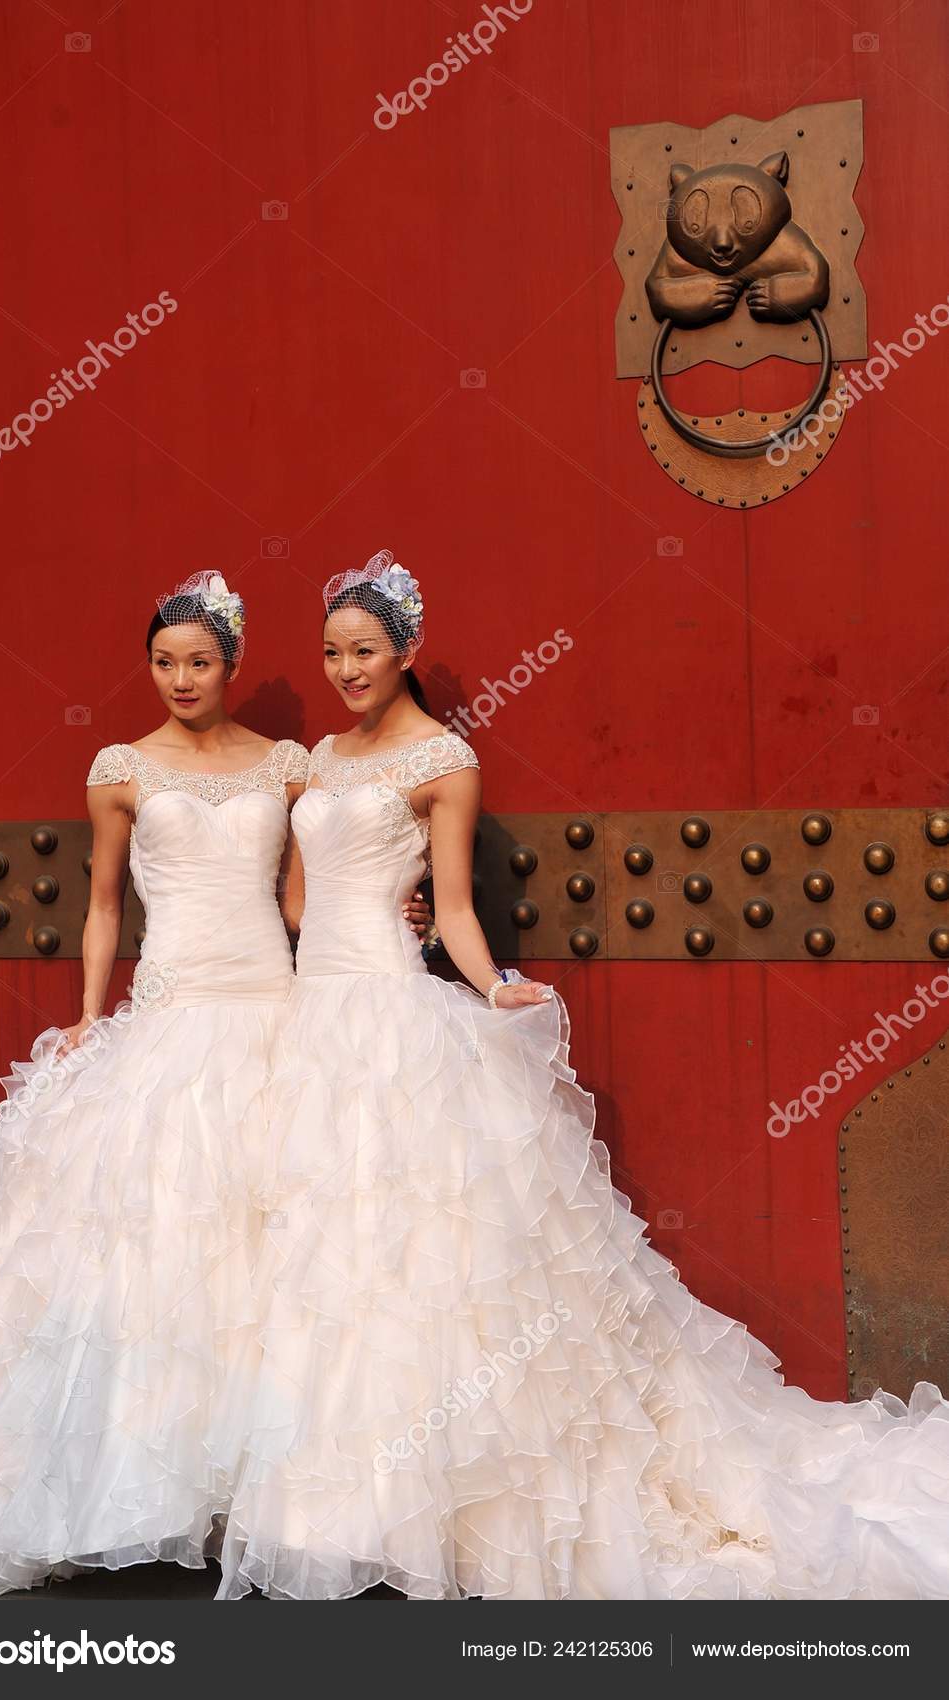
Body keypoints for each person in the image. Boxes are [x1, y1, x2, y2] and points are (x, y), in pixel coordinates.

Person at [214, 548, 949, 1602]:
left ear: (407, 651)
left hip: (389, 1012)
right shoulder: (316, 758)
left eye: (365, 650)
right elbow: (292, 898)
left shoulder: (443, 761)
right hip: (311, 1015)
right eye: (331, 651)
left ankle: (441, 1505)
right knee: (312, 1263)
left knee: (414, 1258)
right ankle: (328, 1503)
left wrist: (485, 978)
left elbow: (457, 906)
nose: (345, 669)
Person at [0, 568, 429, 1600]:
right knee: (159, 1242)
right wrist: (90, 1010)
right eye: (163, 662)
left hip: (279, 1017)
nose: (180, 679)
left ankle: (259, 1492)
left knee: (274, 1260)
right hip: (172, 1015)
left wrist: (391, 908)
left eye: (198, 662)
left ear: (231, 665)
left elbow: (327, 867)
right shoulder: (118, 769)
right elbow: (103, 903)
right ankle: (138, 1483)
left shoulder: (289, 765)